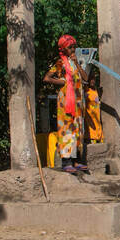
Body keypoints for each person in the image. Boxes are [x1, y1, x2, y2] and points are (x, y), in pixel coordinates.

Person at [43, 34, 89, 174]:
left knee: (78, 130)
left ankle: (77, 160)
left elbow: (85, 78)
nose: (73, 49)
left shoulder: (75, 63)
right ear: (63, 49)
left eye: (74, 46)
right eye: (70, 47)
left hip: (78, 102)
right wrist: (62, 82)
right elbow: (47, 78)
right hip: (66, 102)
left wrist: (76, 64)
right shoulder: (60, 63)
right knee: (67, 130)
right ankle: (66, 161)